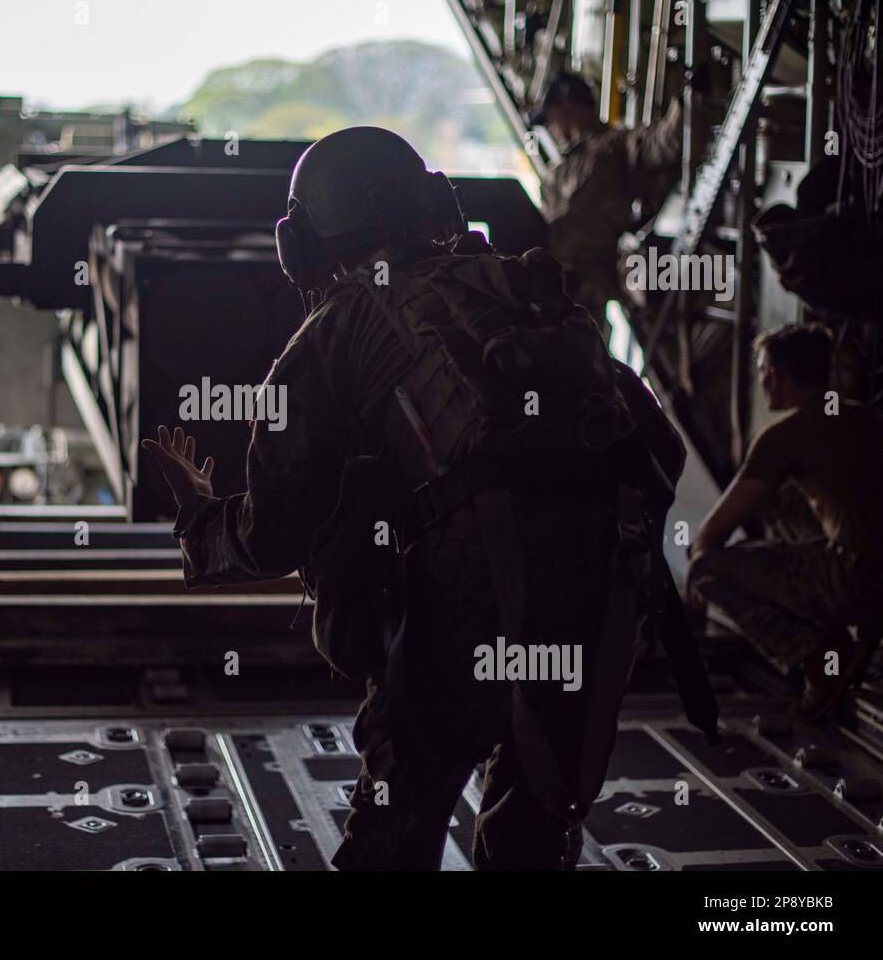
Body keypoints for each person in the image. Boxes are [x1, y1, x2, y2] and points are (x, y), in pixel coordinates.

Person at [143, 126, 685, 870]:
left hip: (465, 620)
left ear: (299, 245)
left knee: (393, 842)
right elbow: (659, 450)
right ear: (436, 204)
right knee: (531, 841)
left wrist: (200, 517)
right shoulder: (526, 296)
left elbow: (273, 532)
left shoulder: (337, 331)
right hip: (598, 610)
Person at [686, 323, 883, 721]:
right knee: (784, 498)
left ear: (773, 375)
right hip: (874, 576)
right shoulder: (865, 418)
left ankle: (821, 656)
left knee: (708, 571)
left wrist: (692, 583)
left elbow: (712, 533)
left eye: (761, 369)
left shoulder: (785, 435)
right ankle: (855, 642)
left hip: (857, 578)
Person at [531, 70, 683, 332]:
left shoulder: (617, 145)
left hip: (598, 283)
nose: (550, 129)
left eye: (549, 119)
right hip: (549, 289)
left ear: (566, 106)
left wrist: (685, 102)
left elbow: (662, 143)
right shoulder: (554, 175)